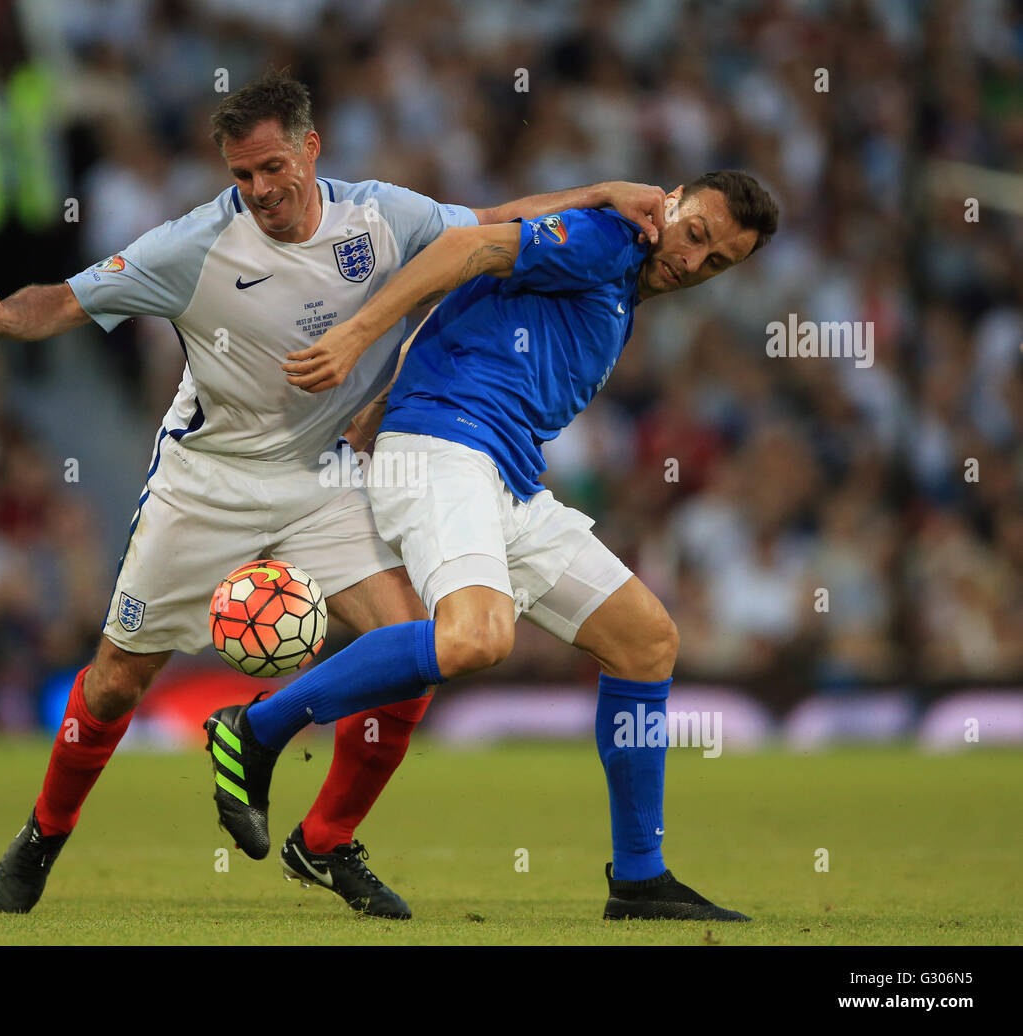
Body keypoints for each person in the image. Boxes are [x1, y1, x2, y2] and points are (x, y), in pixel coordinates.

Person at [0, 70, 667, 919]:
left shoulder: (382, 216)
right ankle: (44, 833)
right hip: (206, 482)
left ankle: (325, 841)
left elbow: (498, 221)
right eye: (242, 176)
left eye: (274, 168)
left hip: (324, 479)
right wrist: (0, 314)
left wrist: (602, 190)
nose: (260, 191)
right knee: (115, 682)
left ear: (311, 148)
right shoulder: (193, 246)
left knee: (416, 652)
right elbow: (65, 300)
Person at [204, 170, 778, 920]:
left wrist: (385, 398)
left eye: (717, 264)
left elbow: (472, 306)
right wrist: (355, 337)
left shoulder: (619, 281)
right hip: (448, 451)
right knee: (476, 638)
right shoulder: (609, 242)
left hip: (501, 474)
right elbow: (468, 248)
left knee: (646, 641)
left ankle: (640, 879)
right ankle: (257, 728)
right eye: (695, 234)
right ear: (669, 202)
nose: (692, 263)